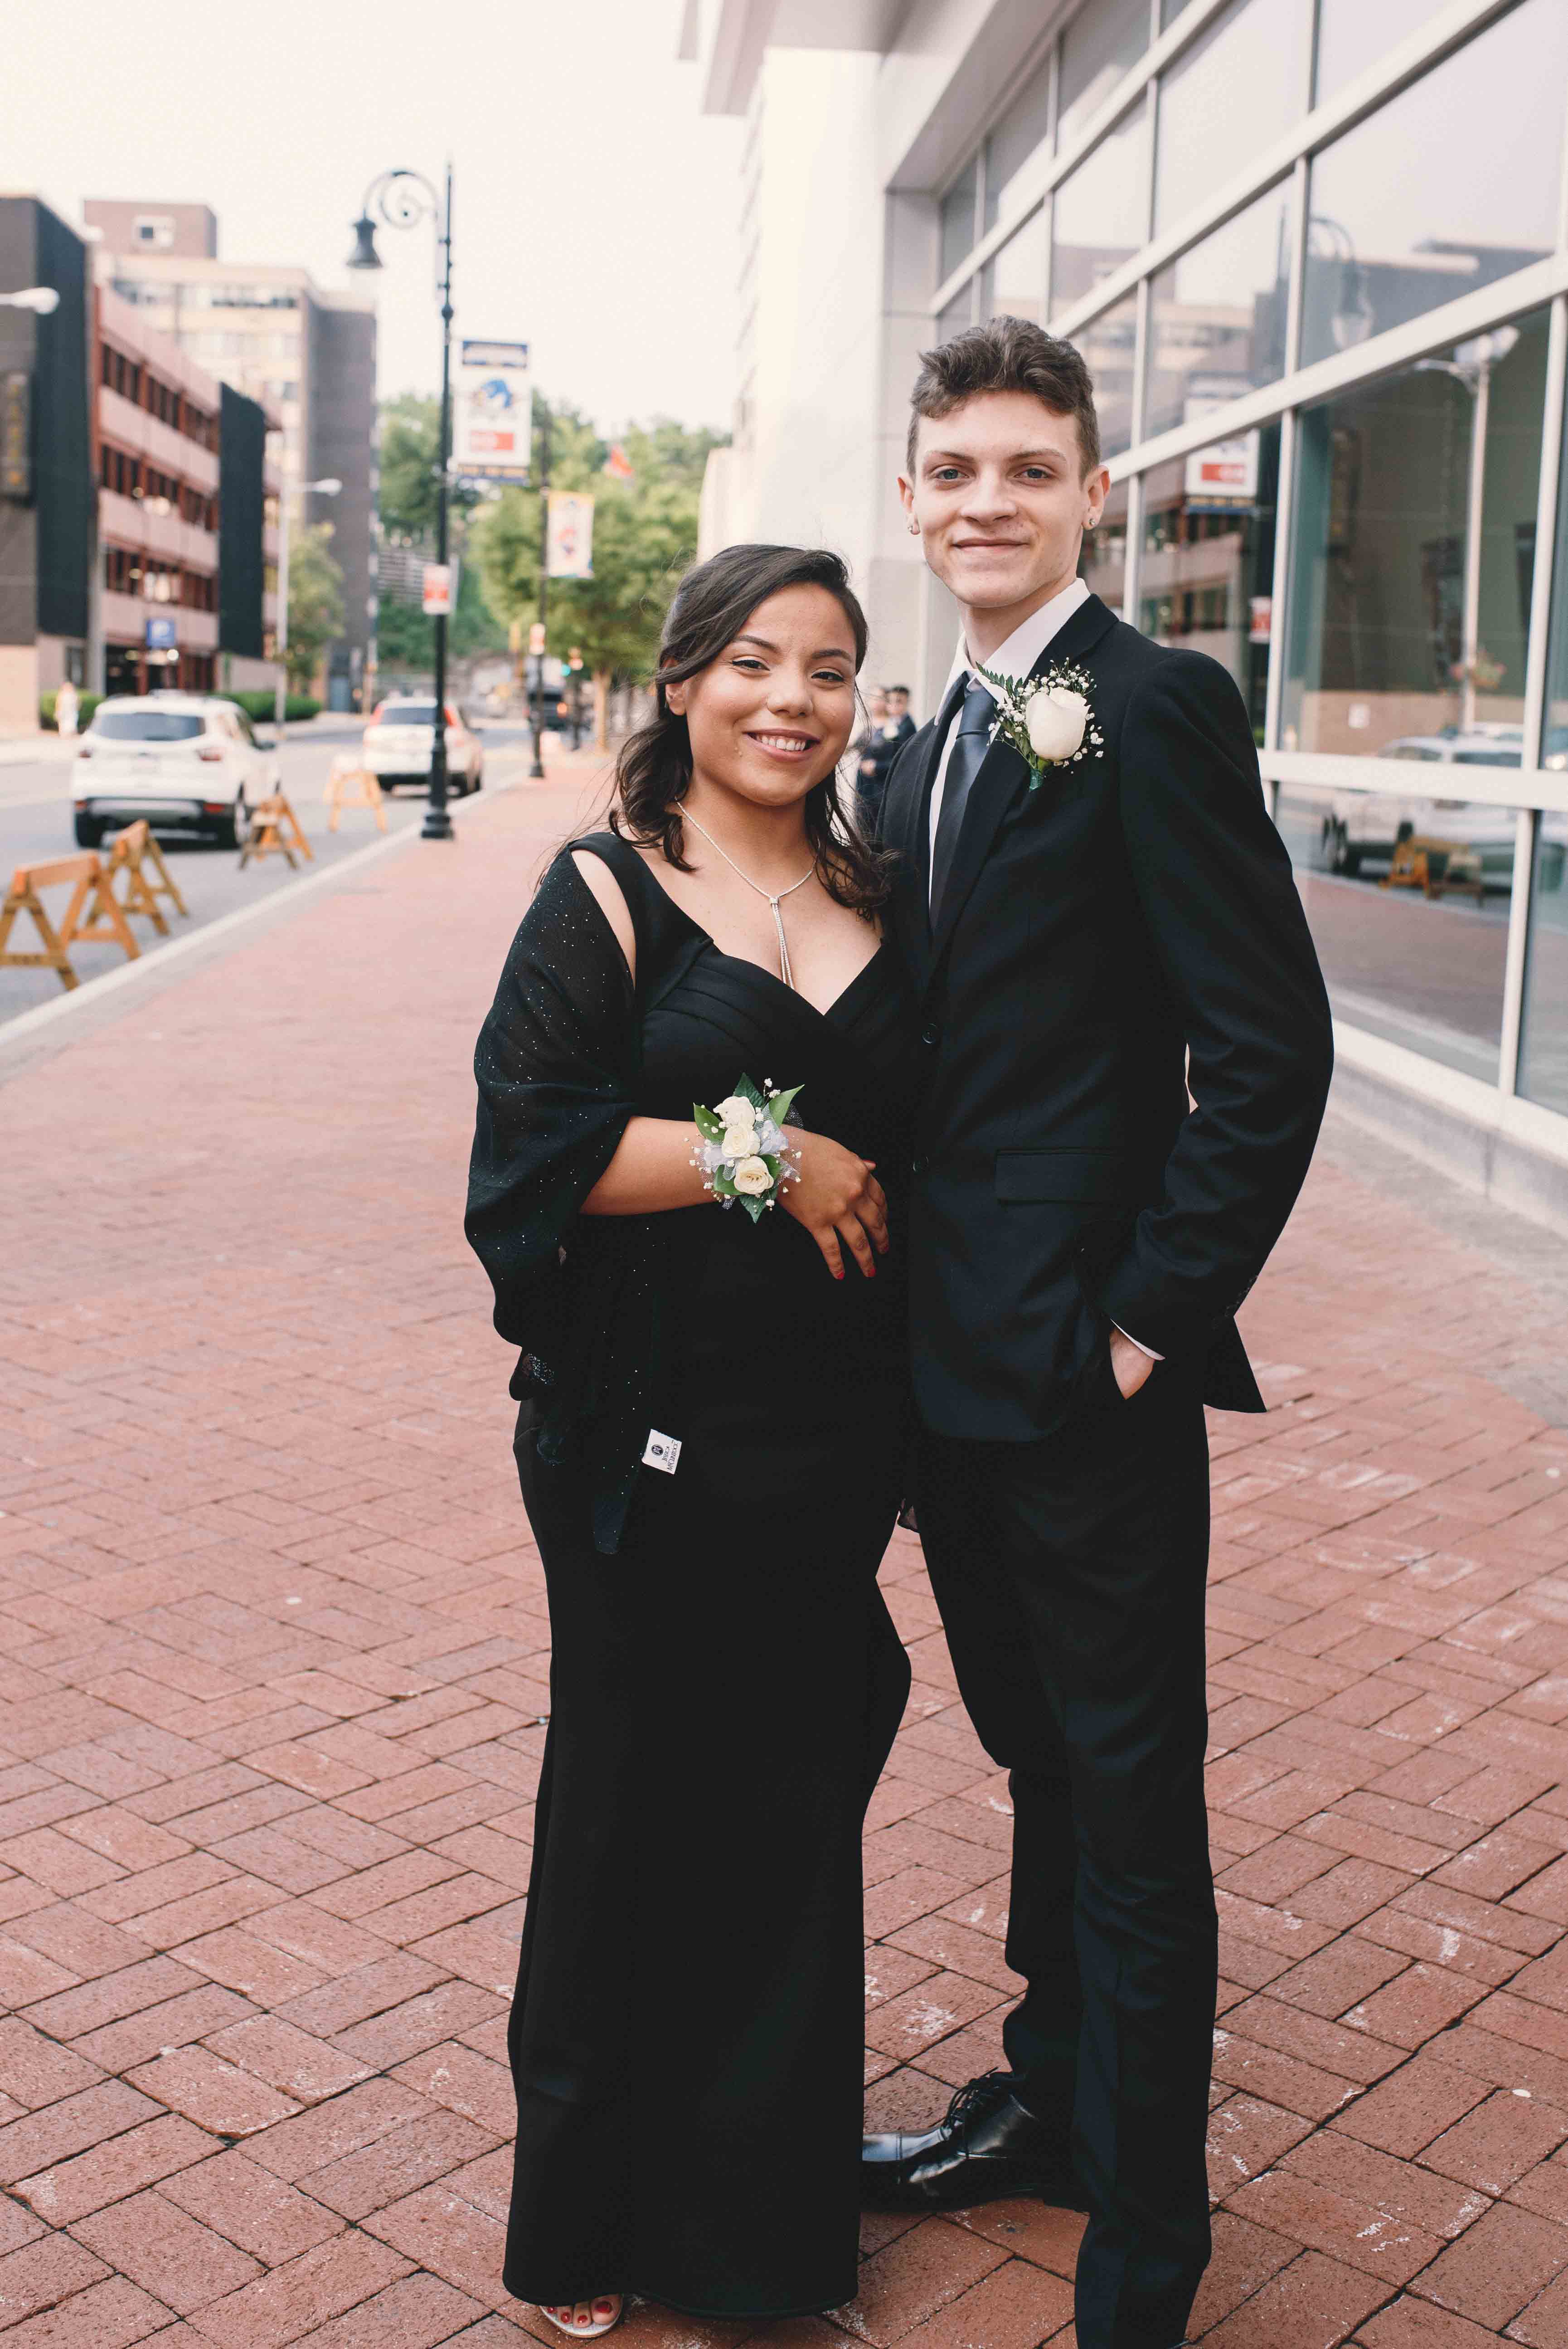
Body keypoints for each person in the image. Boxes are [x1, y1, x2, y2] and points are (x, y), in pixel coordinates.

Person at [863, 316, 1334, 2349]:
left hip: (1085, 1378)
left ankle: (1144, 2252)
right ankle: (1049, 2106)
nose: (988, 502)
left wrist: (1150, 1320)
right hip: (938, 1382)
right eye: (955, 470)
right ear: (911, 495)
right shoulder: (920, 744)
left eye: (1027, 471)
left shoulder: (1152, 705)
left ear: (1092, 495)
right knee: (1036, 1758)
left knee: (1132, 1809)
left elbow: (1270, 1048)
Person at [466, 543, 917, 2337]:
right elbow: (534, 1152)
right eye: (751, 660)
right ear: (680, 681)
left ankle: (754, 2230)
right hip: (642, 1425)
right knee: (627, 1798)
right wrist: (765, 1154)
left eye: (826, 667)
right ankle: (579, 2221)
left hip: (831, 1431)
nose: (788, 698)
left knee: (791, 1807)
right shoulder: (603, 890)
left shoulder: (884, 887)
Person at [856, 684, 915, 833]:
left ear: (907, 702)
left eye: (899, 702)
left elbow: (905, 761)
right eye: (890, 701)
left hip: (883, 786)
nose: (893, 706)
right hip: (869, 783)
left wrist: (876, 767)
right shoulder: (892, 723)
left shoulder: (906, 728)